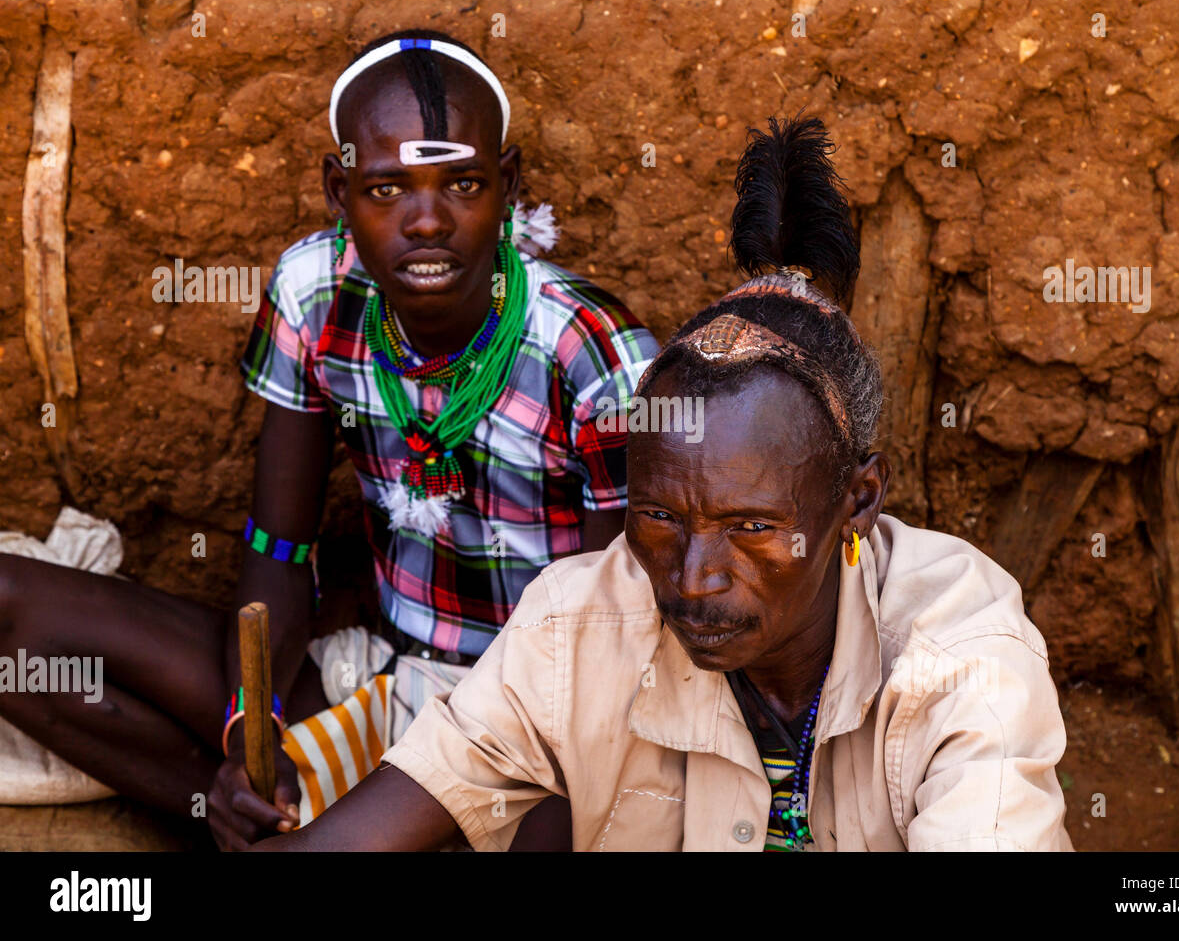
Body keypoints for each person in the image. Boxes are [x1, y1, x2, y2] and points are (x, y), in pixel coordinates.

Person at [256, 115, 1074, 852]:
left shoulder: (961, 656)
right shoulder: (580, 625)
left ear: (858, 500)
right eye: (658, 517)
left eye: (752, 527)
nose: (691, 578)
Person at [0, 27, 658, 850]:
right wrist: (251, 727)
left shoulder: (591, 353)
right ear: (337, 191)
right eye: (386, 191)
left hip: (536, 728)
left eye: (462, 183)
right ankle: (256, 816)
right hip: (380, 676)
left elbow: (613, 648)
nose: (426, 221)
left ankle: (358, 830)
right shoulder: (314, 294)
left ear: (509, 183)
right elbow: (279, 547)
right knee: (10, 617)